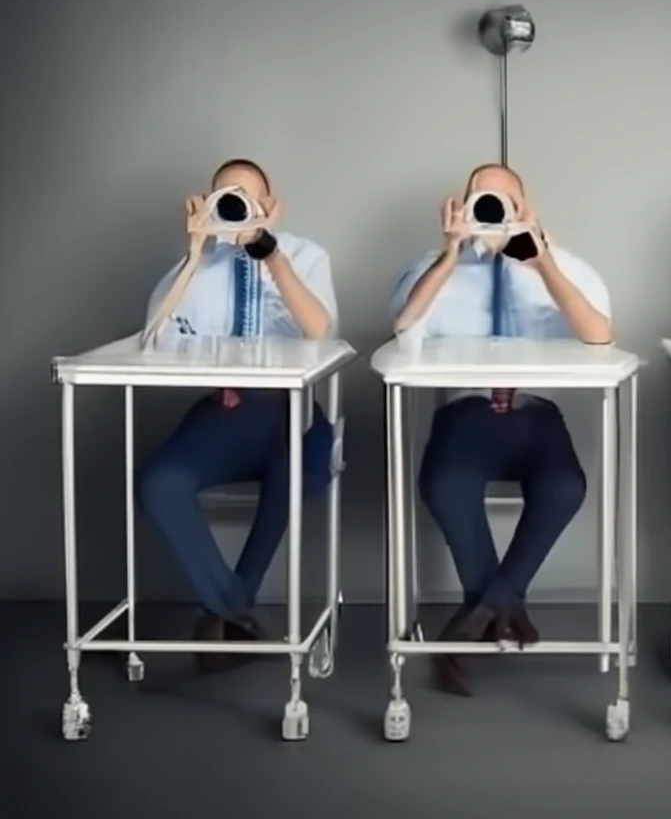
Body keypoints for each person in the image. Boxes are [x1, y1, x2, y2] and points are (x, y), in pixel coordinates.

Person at [389, 163, 612, 695]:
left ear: (524, 205)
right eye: (480, 199)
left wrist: (543, 262)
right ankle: (503, 607)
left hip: (536, 413)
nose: (491, 209)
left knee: (566, 487)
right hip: (465, 413)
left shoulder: (564, 265)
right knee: (445, 485)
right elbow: (401, 327)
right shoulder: (433, 266)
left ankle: (481, 612)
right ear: (460, 205)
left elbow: (600, 335)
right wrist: (449, 253)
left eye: (503, 200)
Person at [137, 158, 339, 670]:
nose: (238, 207)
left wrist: (269, 252)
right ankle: (236, 610)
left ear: (272, 204)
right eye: (227, 196)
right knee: (159, 482)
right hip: (224, 414)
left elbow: (320, 330)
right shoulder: (199, 266)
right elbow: (152, 337)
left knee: (295, 474)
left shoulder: (304, 255)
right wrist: (194, 252)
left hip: (287, 412)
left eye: (248, 197)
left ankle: (225, 611)